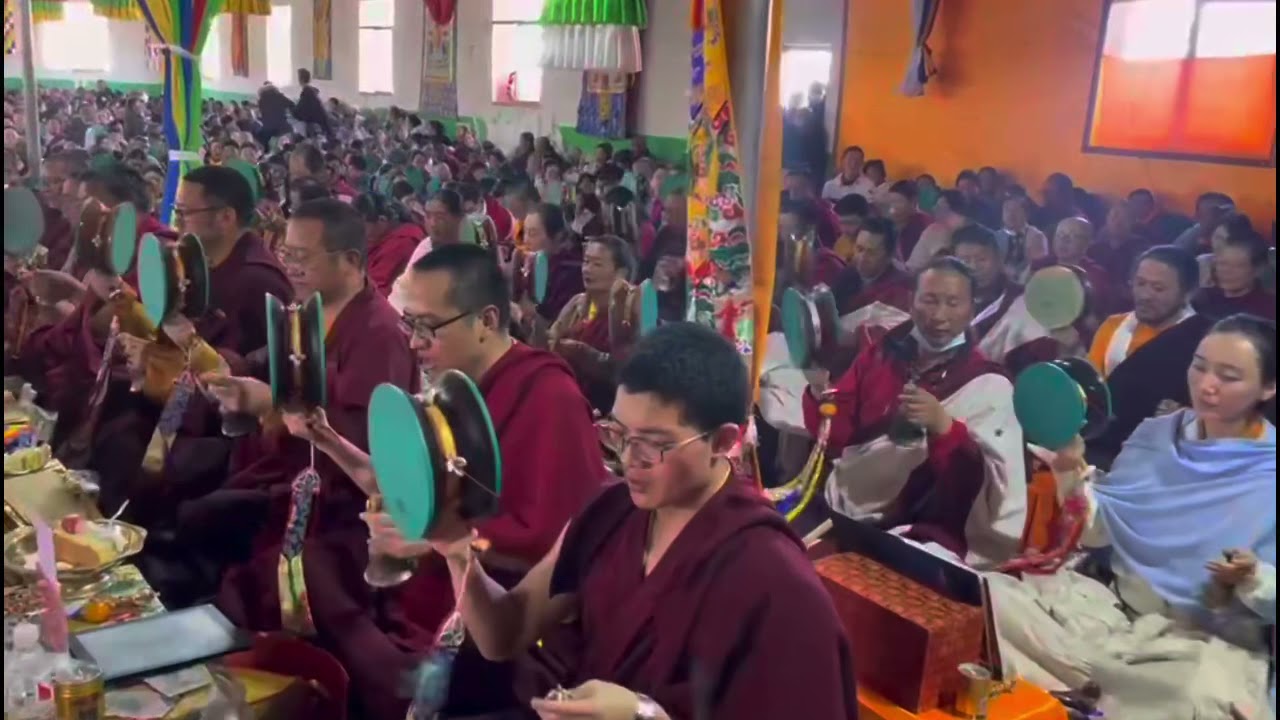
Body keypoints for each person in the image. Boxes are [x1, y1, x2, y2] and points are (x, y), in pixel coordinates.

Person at [371, 322, 859, 720]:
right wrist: (456, 549)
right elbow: (505, 633)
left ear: (723, 441)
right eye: (618, 434)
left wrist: (647, 716)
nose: (629, 459)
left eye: (653, 443)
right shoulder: (610, 512)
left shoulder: (774, 581)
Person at [184, 199, 419, 719]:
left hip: (346, 507)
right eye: (285, 251)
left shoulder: (378, 333)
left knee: (227, 549)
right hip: (291, 476)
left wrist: (269, 404)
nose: (289, 265)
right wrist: (248, 393)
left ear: (351, 260)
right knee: (200, 514)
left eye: (303, 256)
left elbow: (364, 440)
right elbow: (280, 385)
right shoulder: (304, 314)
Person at [991, 314, 1276, 720]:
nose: (1206, 384)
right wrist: (1071, 471)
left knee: (1190, 694)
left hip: (1200, 639)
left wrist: (1252, 578)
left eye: (1228, 376)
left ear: (1268, 387)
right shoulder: (1155, 436)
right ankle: (1087, 695)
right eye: (1199, 366)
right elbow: (1098, 531)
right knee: (994, 599)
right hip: (1108, 612)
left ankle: (1078, 695)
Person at [363, 242, 605, 716]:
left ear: (487, 321)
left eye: (428, 327)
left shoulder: (547, 394)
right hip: (441, 586)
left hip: (510, 617)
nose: (413, 343)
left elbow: (557, 539)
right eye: (409, 324)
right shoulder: (451, 388)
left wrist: (435, 540)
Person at [89, 165, 293, 526]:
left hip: (222, 423)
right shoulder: (201, 262)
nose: (177, 221)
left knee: (130, 443)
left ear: (226, 217)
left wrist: (158, 363)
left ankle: (133, 541)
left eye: (185, 212)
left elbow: (246, 370)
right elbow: (177, 334)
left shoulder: (257, 280)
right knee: (114, 414)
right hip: (180, 396)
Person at [805, 257, 1026, 564]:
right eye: (930, 300)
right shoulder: (885, 349)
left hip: (923, 528)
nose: (939, 316)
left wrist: (946, 429)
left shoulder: (989, 384)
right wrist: (819, 393)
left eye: (953, 303)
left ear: (971, 309)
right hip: (844, 502)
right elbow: (840, 430)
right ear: (911, 301)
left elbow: (994, 485)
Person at [1087, 245, 1214, 467]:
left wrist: (1190, 417)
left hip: (1167, 462)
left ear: (1188, 293)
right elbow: (1090, 396)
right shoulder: (1112, 327)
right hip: (1101, 454)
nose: (1145, 295)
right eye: (1140, 283)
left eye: (1158, 288)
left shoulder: (1206, 342)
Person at [951, 225, 1057, 375]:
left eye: (982, 259)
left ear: (999, 260)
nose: (973, 267)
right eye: (964, 261)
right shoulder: (944, 300)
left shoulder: (1024, 303)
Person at [548, 235, 638, 413]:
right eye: (586, 262)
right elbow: (551, 342)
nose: (587, 270)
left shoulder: (630, 312)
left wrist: (587, 356)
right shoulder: (577, 304)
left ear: (621, 273)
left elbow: (627, 373)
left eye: (597, 264)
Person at [838, 216, 913, 331]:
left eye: (871, 252)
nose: (862, 258)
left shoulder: (901, 287)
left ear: (889, 256)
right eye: (859, 249)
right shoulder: (848, 274)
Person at [519, 202, 585, 332]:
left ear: (558, 236)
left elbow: (555, 325)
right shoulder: (537, 260)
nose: (525, 240)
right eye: (524, 232)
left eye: (532, 234)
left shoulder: (573, 270)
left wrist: (524, 313)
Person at [1193, 218, 1275, 321]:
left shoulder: (1269, 309)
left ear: (1258, 270)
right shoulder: (1201, 300)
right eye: (1222, 264)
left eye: (1238, 266)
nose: (1227, 272)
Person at [353, 192, 424, 298]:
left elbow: (377, 289)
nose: (359, 232)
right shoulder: (378, 237)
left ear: (382, 221)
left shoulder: (403, 242)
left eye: (362, 226)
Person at [907, 189, 970, 271]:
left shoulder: (969, 230)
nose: (934, 209)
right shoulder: (933, 230)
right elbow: (941, 262)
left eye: (938, 205)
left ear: (951, 209)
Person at [995, 194, 1050, 284]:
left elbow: (1037, 267)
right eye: (1007, 210)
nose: (1011, 214)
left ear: (1026, 214)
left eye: (1016, 210)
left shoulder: (1037, 237)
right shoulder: (995, 237)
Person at [884, 180, 930, 263]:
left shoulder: (925, 225)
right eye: (890, 203)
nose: (892, 208)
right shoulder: (889, 224)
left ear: (913, 202)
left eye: (898, 202)